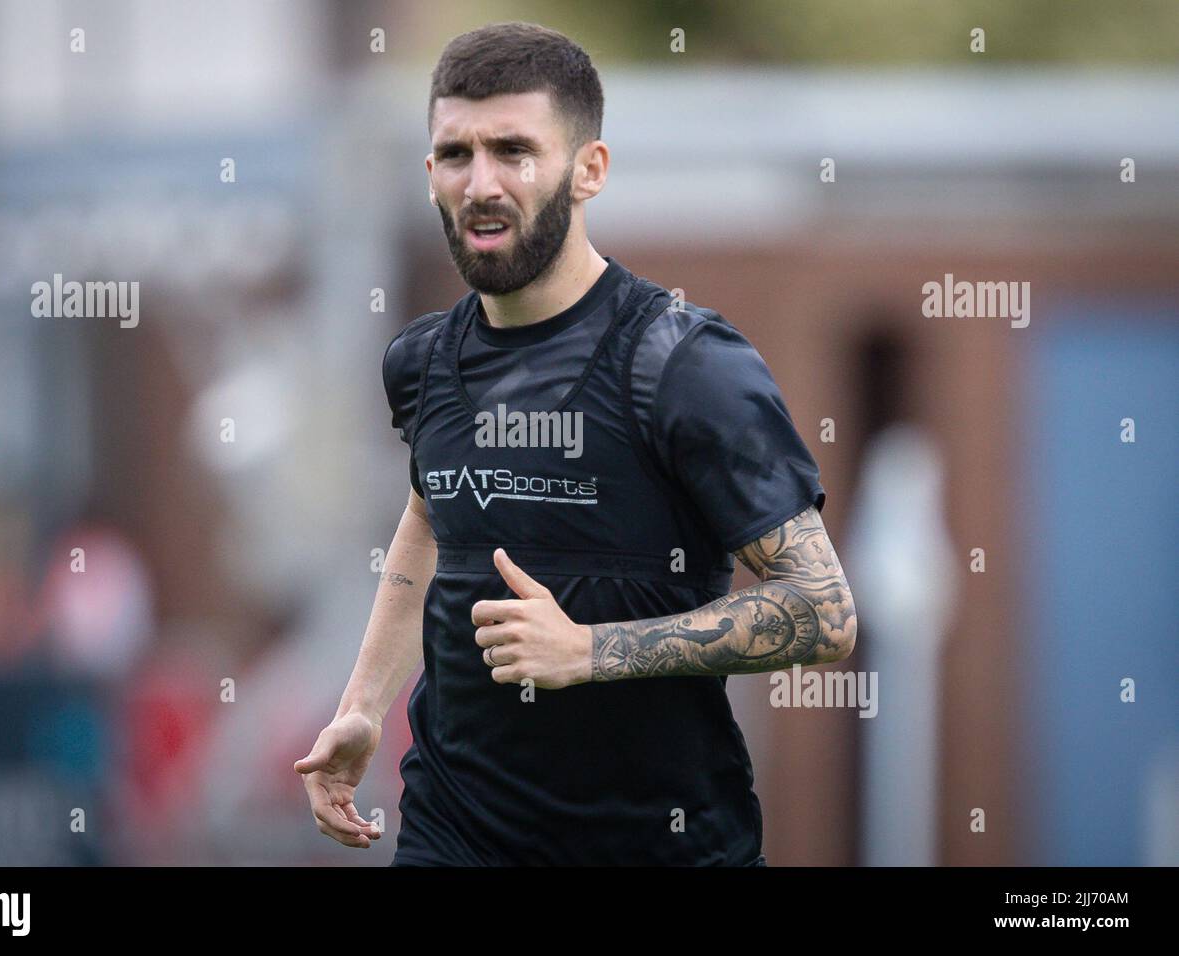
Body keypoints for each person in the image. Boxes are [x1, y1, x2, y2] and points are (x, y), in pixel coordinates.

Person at [295, 21, 857, 866]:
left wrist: (591, 652)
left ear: (588, 169)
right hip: (455, 835)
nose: (480, 183)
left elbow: (823, 612)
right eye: (456, 154)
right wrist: (364, 706)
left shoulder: (685, 364)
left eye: (514, 150)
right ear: (431, 175)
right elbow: (432, 516)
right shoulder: (420, 363)